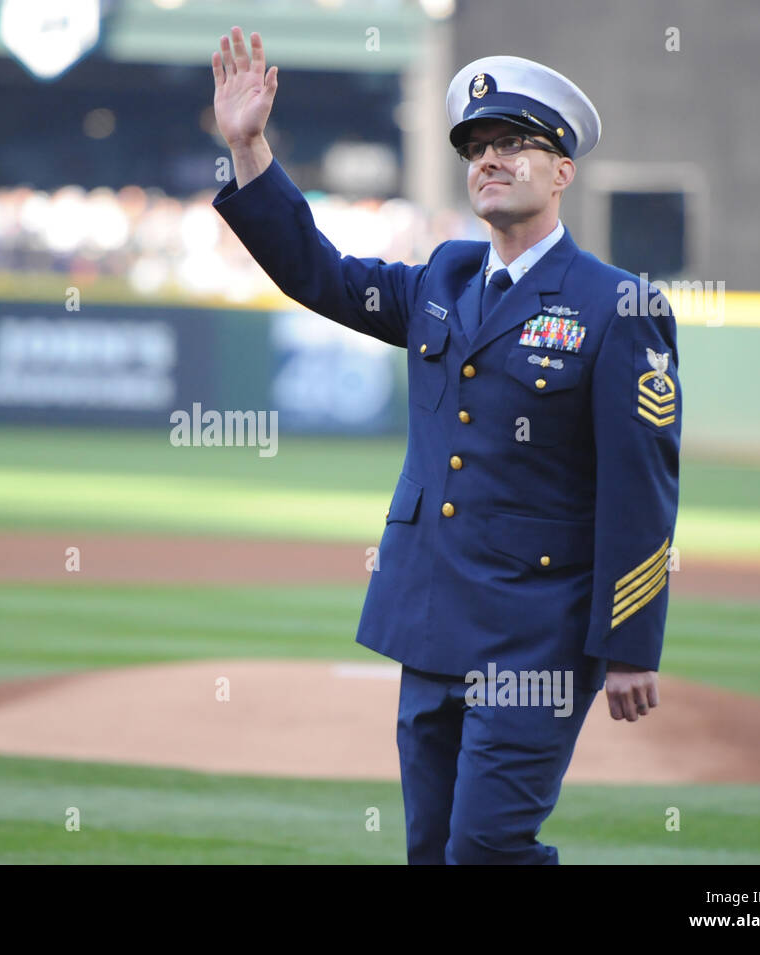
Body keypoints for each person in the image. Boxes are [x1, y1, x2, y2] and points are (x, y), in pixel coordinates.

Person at [210, 30, 680, 864]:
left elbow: (640, 486)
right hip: (428, 624)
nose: (488, 160)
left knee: (487, 848)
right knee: (431, 849)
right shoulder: (443, 278)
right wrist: (250, 148)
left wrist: (632, 642)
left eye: (512, 144)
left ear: (563, 170)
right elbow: (315, 272)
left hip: (538, 637)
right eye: (476, 147)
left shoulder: (618, 304)